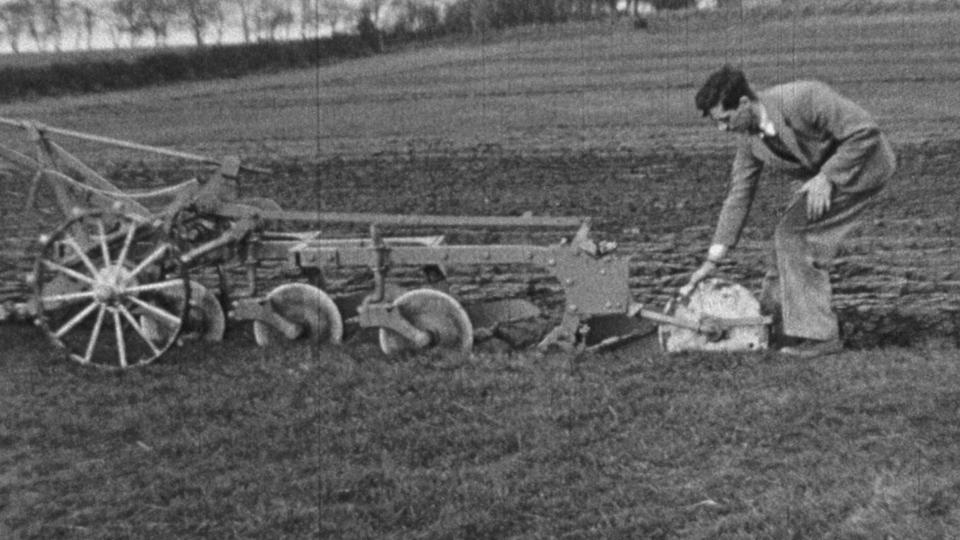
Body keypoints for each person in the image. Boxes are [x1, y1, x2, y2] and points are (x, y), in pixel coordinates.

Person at [682, 65, 895, 358]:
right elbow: (739, 194)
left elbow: (865, 131)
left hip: (864, 167)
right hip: (825, 179)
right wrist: (712, 260)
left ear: (744, 103)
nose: (723, 128)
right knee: (784, 241)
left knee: (796, 237)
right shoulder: (750, 140)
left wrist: (827, 176)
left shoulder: (804, 98)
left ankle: (821, 337)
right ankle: (773, 326)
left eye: (725, 119)